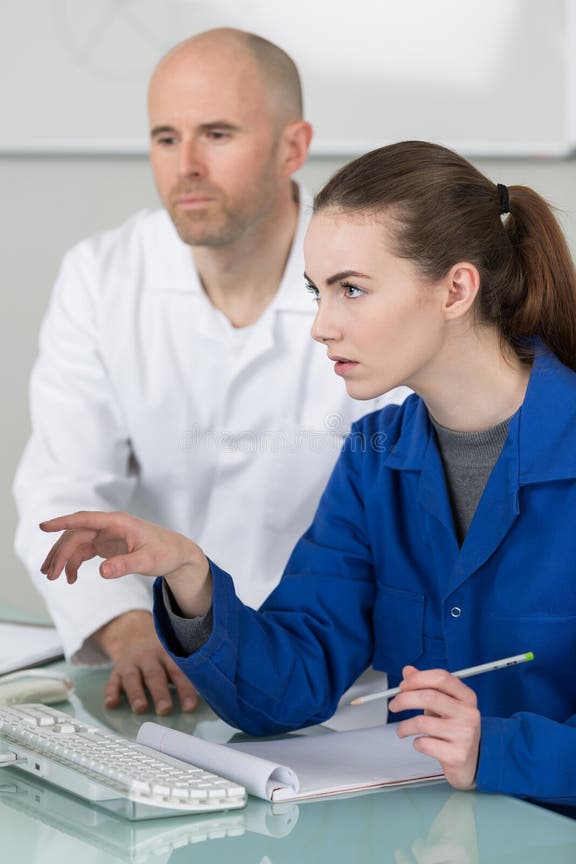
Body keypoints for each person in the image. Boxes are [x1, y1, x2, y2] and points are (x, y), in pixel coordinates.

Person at [39, 139, 576, 813]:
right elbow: (292, 683)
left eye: (351, 289)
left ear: (456, 289)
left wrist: (497, 750)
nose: (322, 327)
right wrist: (191, 578)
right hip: (422, 833)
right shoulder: (374, 455)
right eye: (316, 292)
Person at [14, 28, 404, 717]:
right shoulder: (104, 277)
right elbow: (61, 487)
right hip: (164, 670)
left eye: (217, 134)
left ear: (293, 146)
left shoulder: (373, 277)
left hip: (346, 686)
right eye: (166, 138)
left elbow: (404, 515)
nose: (186, 164)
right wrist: (131, 627)